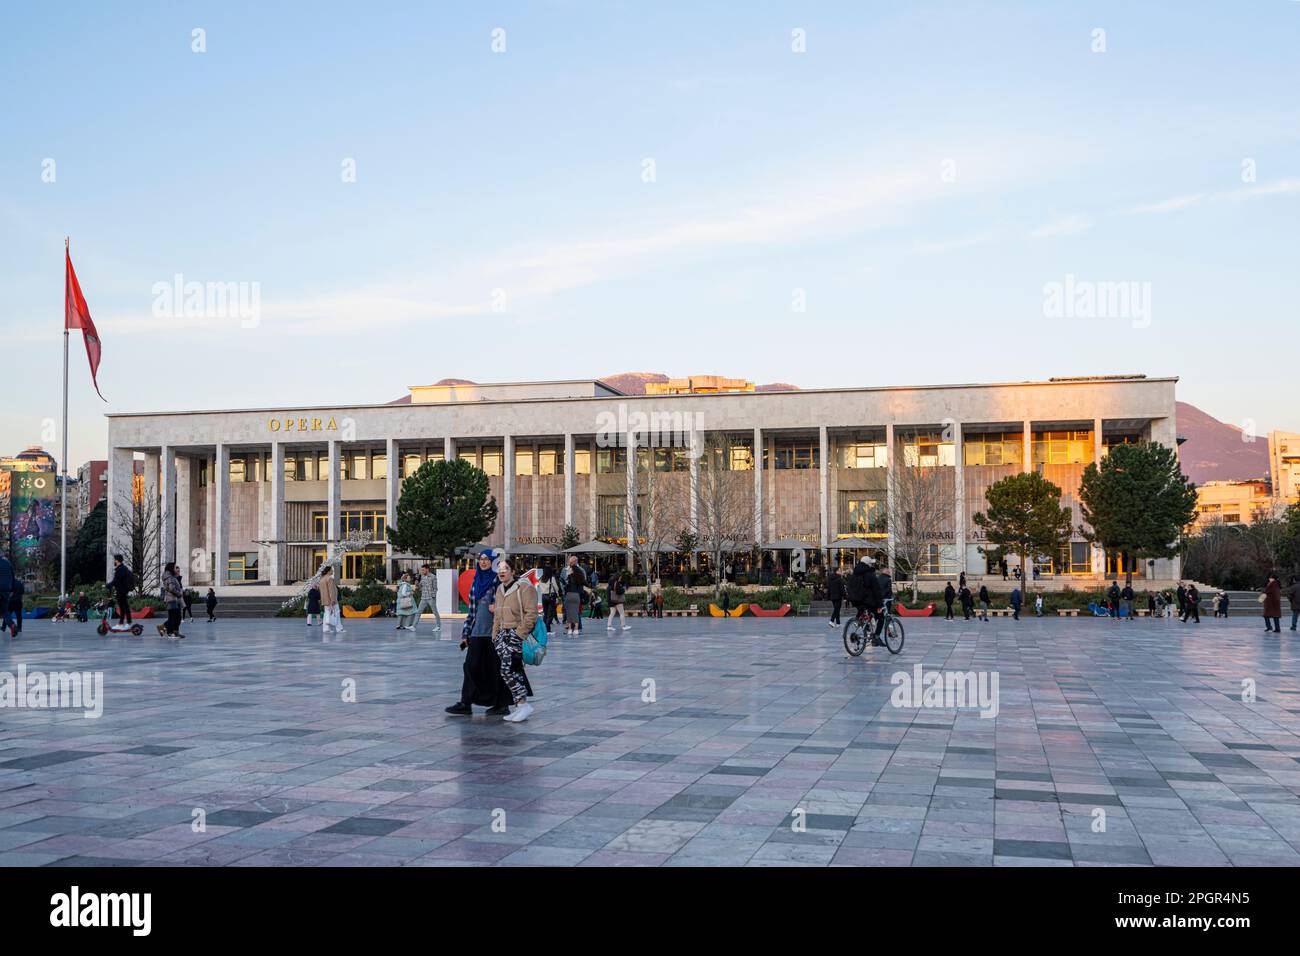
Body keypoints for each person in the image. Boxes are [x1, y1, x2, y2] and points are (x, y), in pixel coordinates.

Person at [446, 559, 531, 718]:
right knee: (470, 666)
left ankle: (502, 704)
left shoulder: (497, 582)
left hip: (496, 632)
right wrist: (466, 633)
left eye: (487, 560)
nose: (483, 562)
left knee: (497, 669)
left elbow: (512, 594)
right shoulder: (476, 583)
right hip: (478, 633)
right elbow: (472, 612)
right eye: (481, 560)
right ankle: (466, 702)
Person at [491, 557, 538, 723]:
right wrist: (495, 635)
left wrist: (519, 634)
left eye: (505, 568)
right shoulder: (499, 589)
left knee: (507, 670)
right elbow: (497, 613)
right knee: (513, 671)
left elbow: (532, 613)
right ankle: (520, 705)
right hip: (501, 635)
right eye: (499, 569)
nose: (501, 572)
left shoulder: (524, 587)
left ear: (513, 571)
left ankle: (523, 704)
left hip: (516, 633)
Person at [158, 562, 185, 638]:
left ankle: (173, 632)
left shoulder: (171, 576)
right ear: (171, 568)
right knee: (173, 617)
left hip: (174, 599)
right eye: (175, 567)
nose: (176, 569)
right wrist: (179, 593)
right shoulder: (170, 577)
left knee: (176, 617)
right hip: (172, 599)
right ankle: (170, 633)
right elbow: (171, 588)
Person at [562, 554, 585, 636]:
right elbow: (583, 582)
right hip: (575, 594)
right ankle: (575, 628)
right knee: (575, 611)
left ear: (574, 562)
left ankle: (571, 628)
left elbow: (564, 582)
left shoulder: (570, 571)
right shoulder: (579, 571)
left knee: (570, 612)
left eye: (570, 561)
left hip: (570, 593)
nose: (569, 563)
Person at [416, 564, 442, 633]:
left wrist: (432, 596)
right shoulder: (422, 576)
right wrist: (417, 584)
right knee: (418, 612)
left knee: (435, 612)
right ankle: (413, 626)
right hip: (423, 597)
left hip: (430, 598)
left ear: (427, 569)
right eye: (421, 570)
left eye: (423, 570)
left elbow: (435, 588)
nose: (422, 571)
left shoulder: (433, 577)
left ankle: (438, 626)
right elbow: (420, 587)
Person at [110, 553, 134, 625]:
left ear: (117, 560)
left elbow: (116, 580)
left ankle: (128, 622)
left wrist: (109, 585)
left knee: (124, 606)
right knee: (123, 606)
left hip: (121, 590)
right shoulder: (122, 568)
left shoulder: (121, 569)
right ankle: (122, 622)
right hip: (121, 590)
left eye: (114, 560)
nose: (114, 561)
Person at [318, 568, 342, 632]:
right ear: (328, 571)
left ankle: (326, 629)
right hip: (331, 600)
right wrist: (333, 600)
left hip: (325, 600)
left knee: (326, 614)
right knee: (336, 613)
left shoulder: (322, 579)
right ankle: (339, 629)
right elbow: (331, 591)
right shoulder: (329, 578)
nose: (333, 571)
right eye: (332, 570)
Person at [539, 566, 560, 633]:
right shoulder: (552, 578)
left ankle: (544, 627)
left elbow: (540, 587)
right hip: (551, 596)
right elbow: (556, 588)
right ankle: (548, 628)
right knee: (550, 613)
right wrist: (557, 594)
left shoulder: (541, 578)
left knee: (545, 613)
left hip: (543, 596)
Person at [0, 551, 12, 636]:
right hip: (6, 589)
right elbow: (12, 576)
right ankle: (11, 624)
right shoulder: (7, 563)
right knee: (4, 610)